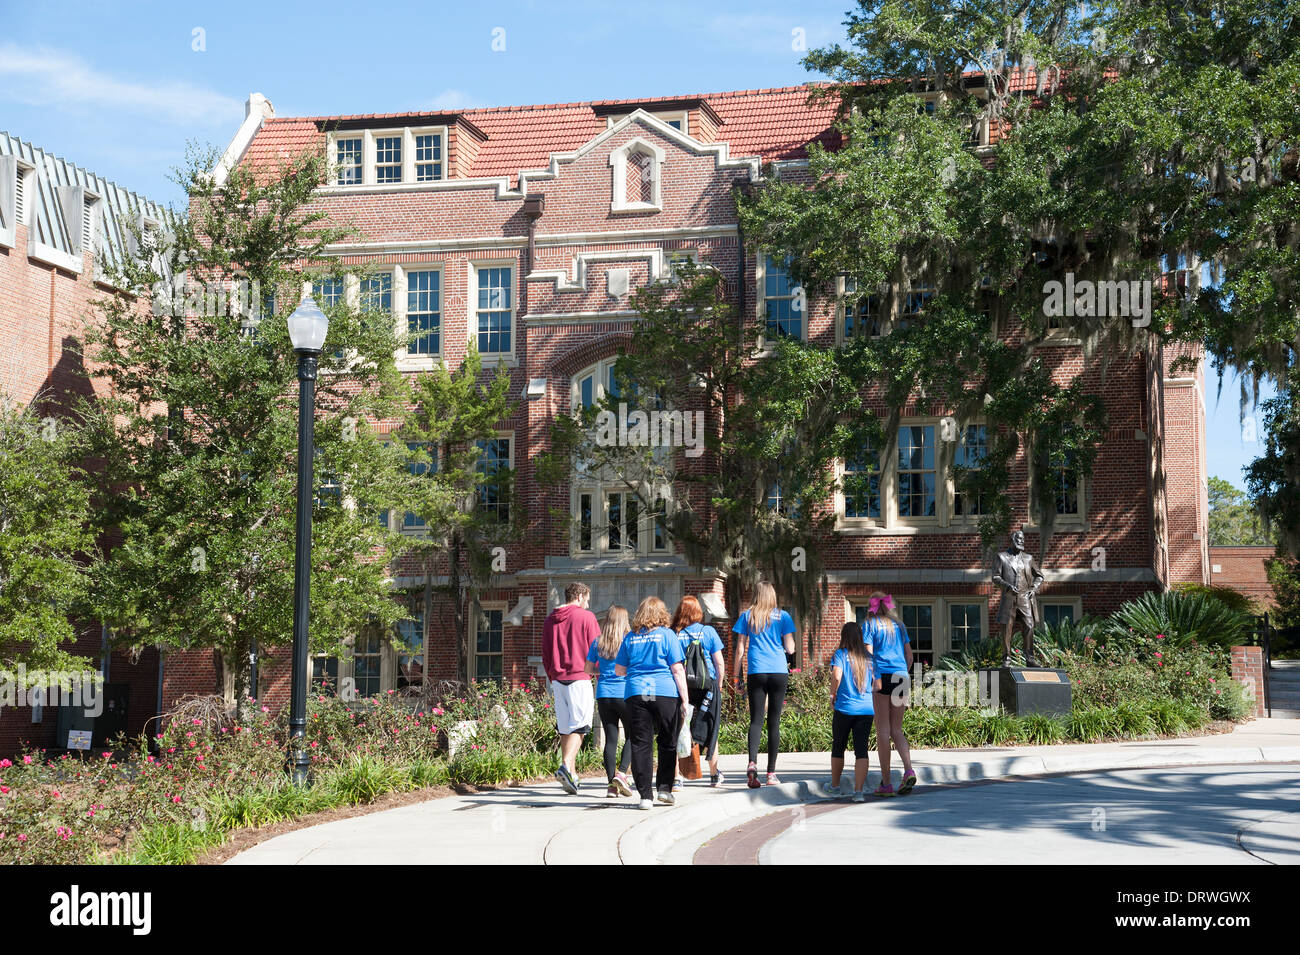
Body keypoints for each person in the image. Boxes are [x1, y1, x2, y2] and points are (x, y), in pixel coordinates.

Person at [614, 596, 690, 810]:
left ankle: (645, 796)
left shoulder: (630, 638)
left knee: (641, 743)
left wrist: (639, 668)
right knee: (667, 740)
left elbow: (619, 670)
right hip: (664, 692)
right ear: (661, 613)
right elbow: (677, 669)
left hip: (638, 693)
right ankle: (664, 789)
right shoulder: (667, 635)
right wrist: (685, 699)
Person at [731, 581, 796, 788]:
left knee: (756, 720)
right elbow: (791, 647)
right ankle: (771, 773)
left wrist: (736, 677)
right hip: (778, 671)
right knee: (774, 722)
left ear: (756, 595)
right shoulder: (783, 616)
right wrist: (787, 647)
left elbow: (740, 649)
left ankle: (752, 763)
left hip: (756, 671)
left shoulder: (747, 616)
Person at [541, 581, 601, 795]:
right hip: (579, 676)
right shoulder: (586, 617)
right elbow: (596, 649)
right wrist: (597, 672)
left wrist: (552, 675)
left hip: (557, 679)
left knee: (566, 727)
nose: (588, 603)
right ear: (580, 596)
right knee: (581, 725)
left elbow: (545, 653)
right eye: (587, 599)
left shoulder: (550, 620)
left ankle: (572, 776)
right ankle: (566, 765)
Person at [670, 595, 727, 788]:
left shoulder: (677, 634)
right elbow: (719, 662)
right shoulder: (708, 632)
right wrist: (719, 684)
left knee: (681, 729)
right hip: (708, 686)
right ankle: (714, 774)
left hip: (685, 687)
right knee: (712, 727)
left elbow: (673, 665)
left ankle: (677, 777)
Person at [864, 592, 917, 796]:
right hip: (901, 676)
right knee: (897, 729)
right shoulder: (900, 626)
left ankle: (886, 783)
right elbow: (909, 656)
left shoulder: (869, 625)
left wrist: (871, 676)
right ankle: (908, 769)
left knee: (883, 732)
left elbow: (868, 654)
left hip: (882, 676)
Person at [585, 604, 633, 798]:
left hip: (604, 694)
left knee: (610, 740)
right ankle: (621, 774)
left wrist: (602, 672)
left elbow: (588, 669)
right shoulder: (628, 641)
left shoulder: (597, 643)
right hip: (624, 694)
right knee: (633, 735)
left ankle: (611, 786)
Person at [827, 621, 874, 802]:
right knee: (861, 750)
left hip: (845, 708)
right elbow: (876, 684)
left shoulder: (840, 654)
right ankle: (858, 792)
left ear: (844, 636)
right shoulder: (870, 658)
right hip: (866, 709)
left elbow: (836, 676)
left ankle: (835, 786)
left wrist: (832, 694)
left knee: (838, 746)